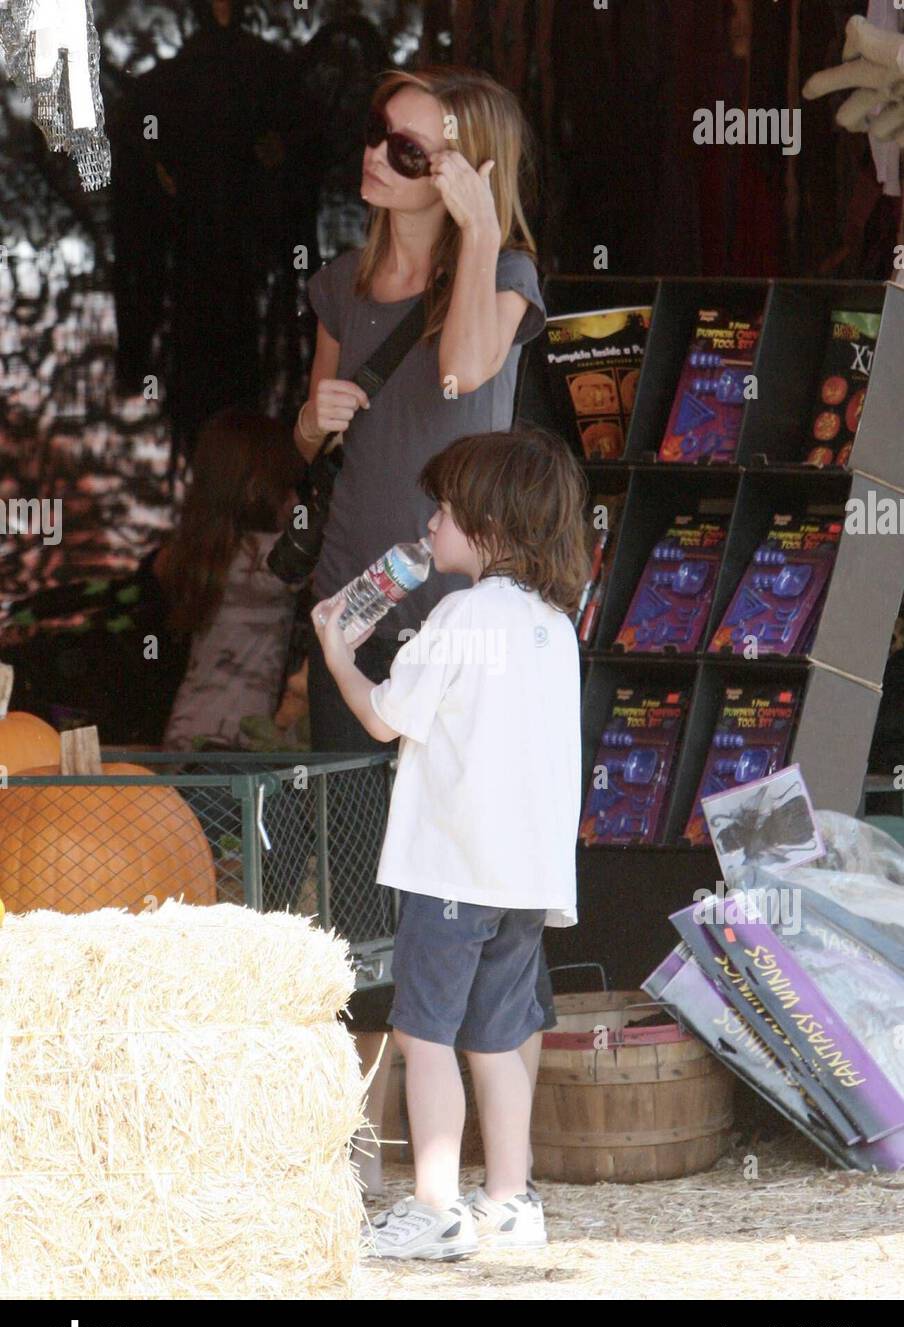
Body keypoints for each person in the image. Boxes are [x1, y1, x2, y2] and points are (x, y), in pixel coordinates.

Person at [293, 64, 557, 1190]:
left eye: (409, 150)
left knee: (471, 873)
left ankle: (490, 1172)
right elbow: (308, 445)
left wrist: (480, 228)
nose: (377, 157)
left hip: (458, 626)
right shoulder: (341, 287)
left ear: (462, 169)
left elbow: (460, 371)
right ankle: (365, 1150)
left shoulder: (506, 274)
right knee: (353, 883)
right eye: (377, 134)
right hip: (356, 605)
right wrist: (311, 421)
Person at [311, 427, 586, 1258]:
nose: (429, 524)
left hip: (452, 869)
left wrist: (337, 652)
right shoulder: (554, 625)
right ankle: (510, 1198)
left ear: (490, 526)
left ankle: (434, 1208)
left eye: (445, 510)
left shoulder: (463, 615)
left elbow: (384, 717)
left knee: (425, 1036)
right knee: (497, 1040)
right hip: (524, 878)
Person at [157, 408, 301, 750]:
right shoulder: (269, 561)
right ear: (255, 490)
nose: (296, 501)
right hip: (231, 744)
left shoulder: (204, 550)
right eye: (287, 488)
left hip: (189, 731)